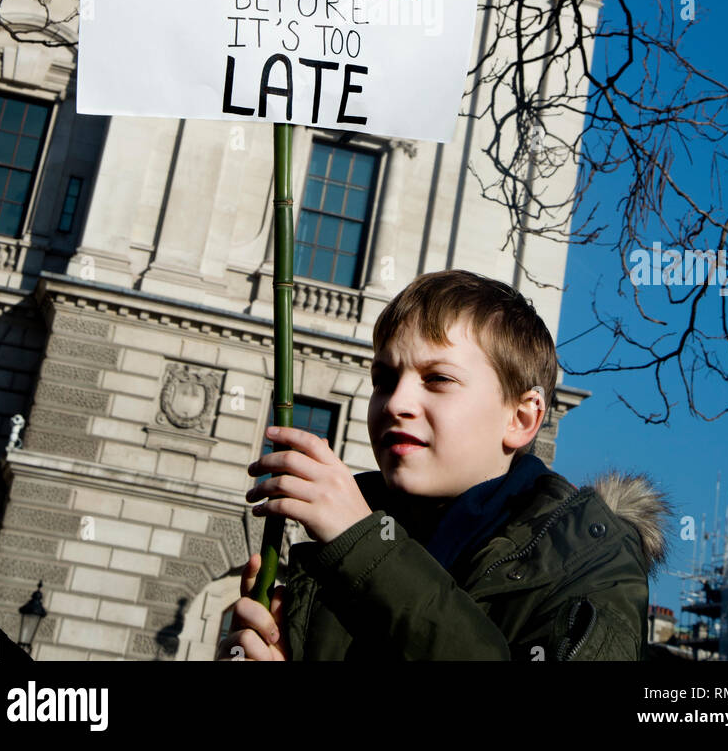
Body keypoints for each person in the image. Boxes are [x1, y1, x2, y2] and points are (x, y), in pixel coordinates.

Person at [216, 270, 670, 662]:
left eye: (438, 379)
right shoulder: (326, 561)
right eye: (384, 379)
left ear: (521, 417)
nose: (397, 403)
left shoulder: (594, 565)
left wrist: (364, 547)